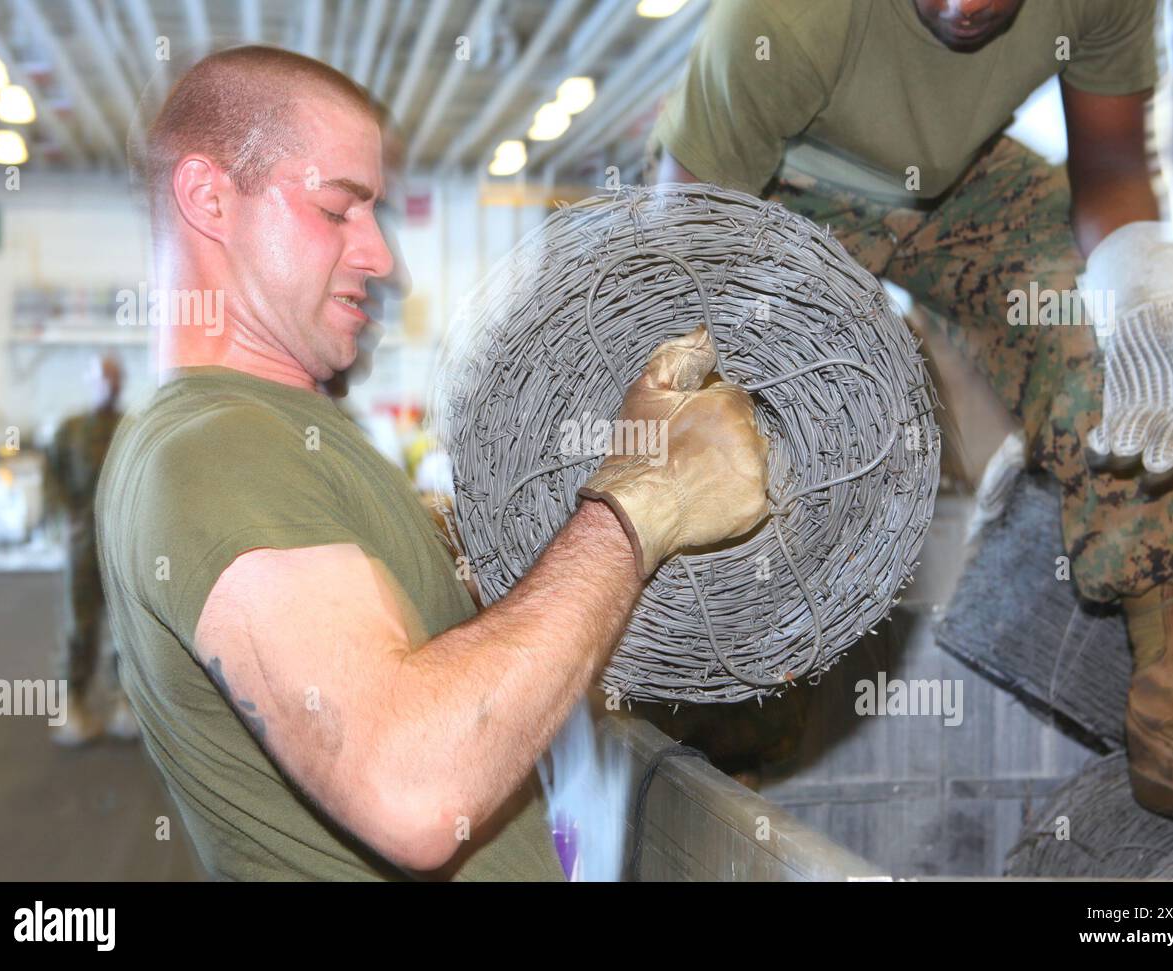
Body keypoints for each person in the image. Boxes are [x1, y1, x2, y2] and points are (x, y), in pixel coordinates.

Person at [97, 45, 769, 880]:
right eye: (338, 211)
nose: (379, 256)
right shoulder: (215, 449)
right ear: (208, 197)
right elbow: (411, 790)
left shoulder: (278, 429)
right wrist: (638, 506)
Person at [650, 0, 1173, 832]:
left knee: (1115, 336)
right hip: (771, 186)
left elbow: (1112, 164)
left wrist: (1141, 286)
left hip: (956, 182)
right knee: (756, 431)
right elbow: (681, 265)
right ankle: (718, 729)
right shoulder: (781, 21)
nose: (965, 6)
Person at [45, 353, 137, 745]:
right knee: (80, 624)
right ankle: (74, 702)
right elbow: (52, 477)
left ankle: (125, 703)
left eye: (114, 379)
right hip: (85, 543)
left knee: (125, 627)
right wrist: (67, 515)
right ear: (89, 380)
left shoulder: (132, 428)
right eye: (101, 378)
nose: (108, 386)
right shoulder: (71, 429)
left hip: (120, 542)